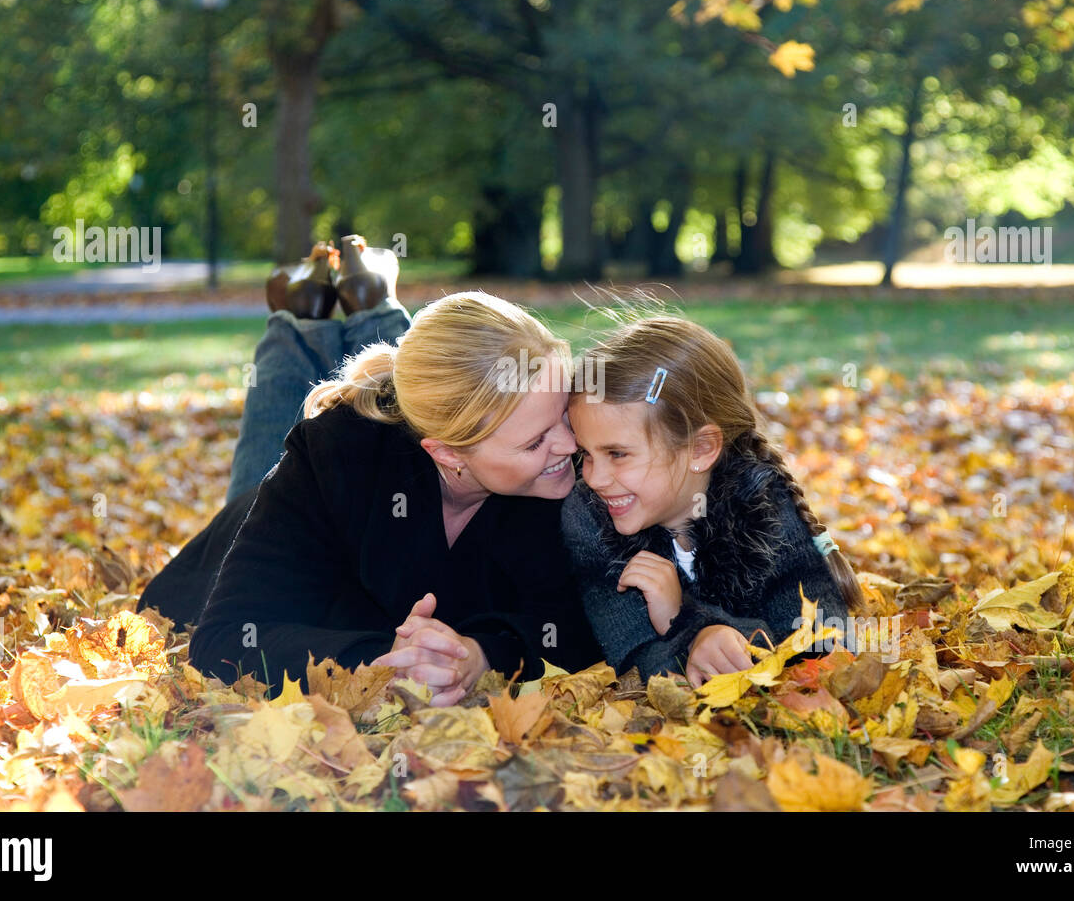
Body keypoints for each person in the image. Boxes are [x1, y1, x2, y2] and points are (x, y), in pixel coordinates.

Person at [138, 283, 601, 706]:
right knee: (256, 474)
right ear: (446, 452)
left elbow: (577, 624)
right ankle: (297, 319)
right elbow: (228, 637)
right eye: (535, 441)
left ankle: (370, 305)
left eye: (564, 413)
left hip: (385, 441)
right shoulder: (333, 456)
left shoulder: (572, 474)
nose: (571, 444)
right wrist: (384, 659)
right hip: (261, 531)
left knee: (409, 391)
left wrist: (482, 656)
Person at [560, 314, 866, 689]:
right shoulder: (589, 518)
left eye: (618, 454)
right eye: (585, 454)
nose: (593, 477)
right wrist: (694, 643)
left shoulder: (761, 505)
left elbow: (824, 643)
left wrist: (689, 620)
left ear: (701, 448)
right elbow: (628, 655)